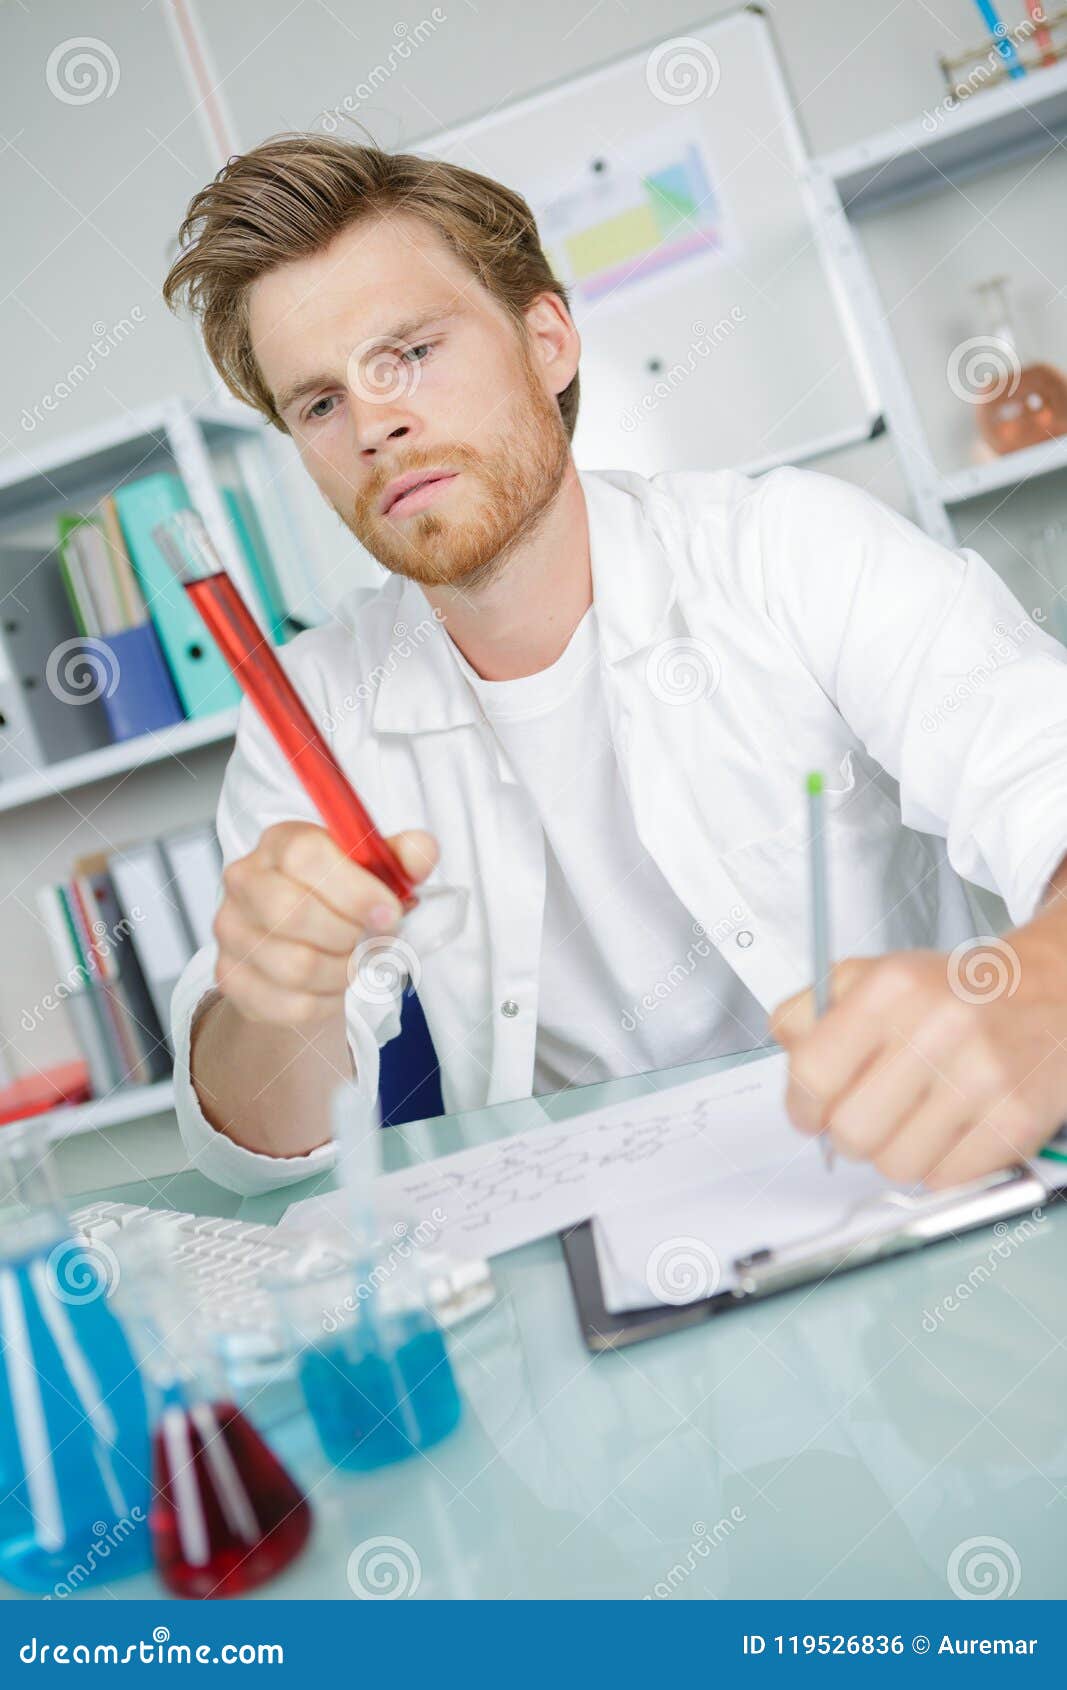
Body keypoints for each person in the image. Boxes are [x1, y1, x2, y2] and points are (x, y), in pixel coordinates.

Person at [162, 136, 1067, 1198]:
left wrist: (1037, 991)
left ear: (546, 340)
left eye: (407, 352)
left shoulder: (791, 551)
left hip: (907, 1191)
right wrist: (273, 999)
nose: (373, 423)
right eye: (317, 404)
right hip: (586, 1262)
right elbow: (257, 1152)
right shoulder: (313, 712)